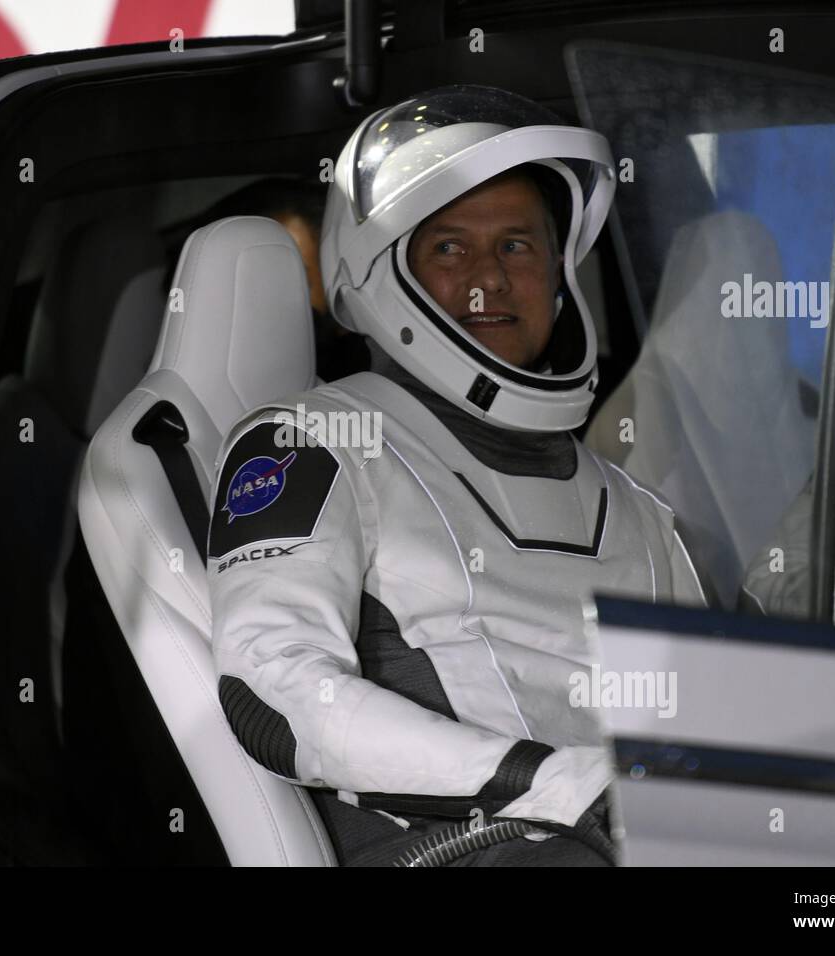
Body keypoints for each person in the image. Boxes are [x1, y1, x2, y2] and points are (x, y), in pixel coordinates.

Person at [206, 85, 706, 867]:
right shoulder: (311, 443)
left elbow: (711, 726)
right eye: (449, 247)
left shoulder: (635, 507)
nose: (490, 279)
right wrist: (555, 784)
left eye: (518, 245)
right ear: (373, 274)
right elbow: (275, 690)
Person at [169, 177, 371, 381]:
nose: (255, 305)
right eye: (237, 286)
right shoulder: (175, 396)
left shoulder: (369, 401)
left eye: (280, 284)